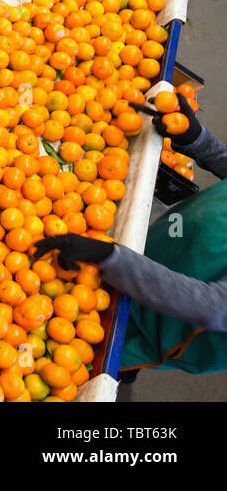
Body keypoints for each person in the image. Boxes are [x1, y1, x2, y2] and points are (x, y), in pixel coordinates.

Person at [35, 92, 227, 375]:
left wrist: (108, 257)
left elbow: (214, 307)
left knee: (92, 353)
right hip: (168, 247)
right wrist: (196, 138)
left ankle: (123, 372)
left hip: (166, 322)